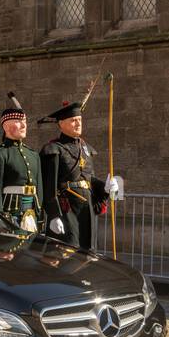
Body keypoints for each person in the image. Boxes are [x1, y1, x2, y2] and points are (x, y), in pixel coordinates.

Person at [38, 100, 120, 249]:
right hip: (66, 210)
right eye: (73, 120)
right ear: (61, 124)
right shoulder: (54, 149)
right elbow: (49, 185)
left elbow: (89, 179)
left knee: (88, 251)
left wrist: (106, 187)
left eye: (80, 120)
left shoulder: (85, 148)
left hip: (86, 208)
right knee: (67, 252)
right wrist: (53, 214)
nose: (78, 124)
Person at [0, 93, 43, 232]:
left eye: (24, 121)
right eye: (18, 121)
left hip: (31, 214)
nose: (24, 125)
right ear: (6, 127)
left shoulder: (33, 155)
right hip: (10, 213)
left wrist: (40, 216)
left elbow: (39, 190)